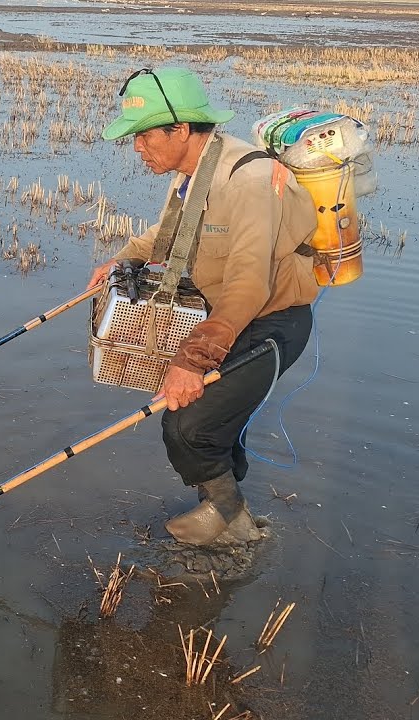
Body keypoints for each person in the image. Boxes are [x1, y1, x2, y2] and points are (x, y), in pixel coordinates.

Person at [88, 67, 319, 546]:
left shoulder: (249, 180)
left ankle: (233, 522)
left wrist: (192, 360)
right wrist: (124, 257)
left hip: (270, 323)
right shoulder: (195, 173)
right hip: (227, 316)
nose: (137, 147)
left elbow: (249, 285)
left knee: (188, 424)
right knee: (209, 422)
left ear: (180, 128)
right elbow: (170, 234)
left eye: (144, 136)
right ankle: (226, 516)